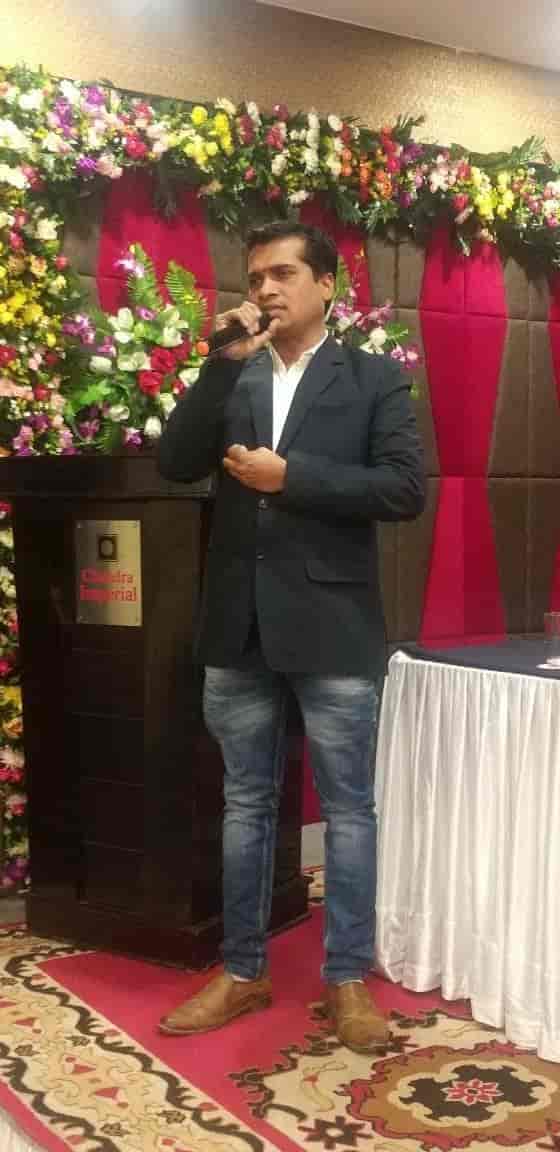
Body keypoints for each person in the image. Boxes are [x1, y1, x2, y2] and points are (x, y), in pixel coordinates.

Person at [157, 221, 424, 1052]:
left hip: (335, 628)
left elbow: (404, 489)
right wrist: (216, 365)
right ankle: (243, 971)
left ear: (327, 286)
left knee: (348, 810)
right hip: (237, 626)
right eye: (256, 278)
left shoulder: (373, 378)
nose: (266, 290)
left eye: (283, 274)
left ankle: (347, 979)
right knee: (245, 803)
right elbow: (175, 462)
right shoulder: (234, 375)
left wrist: (292, 477)